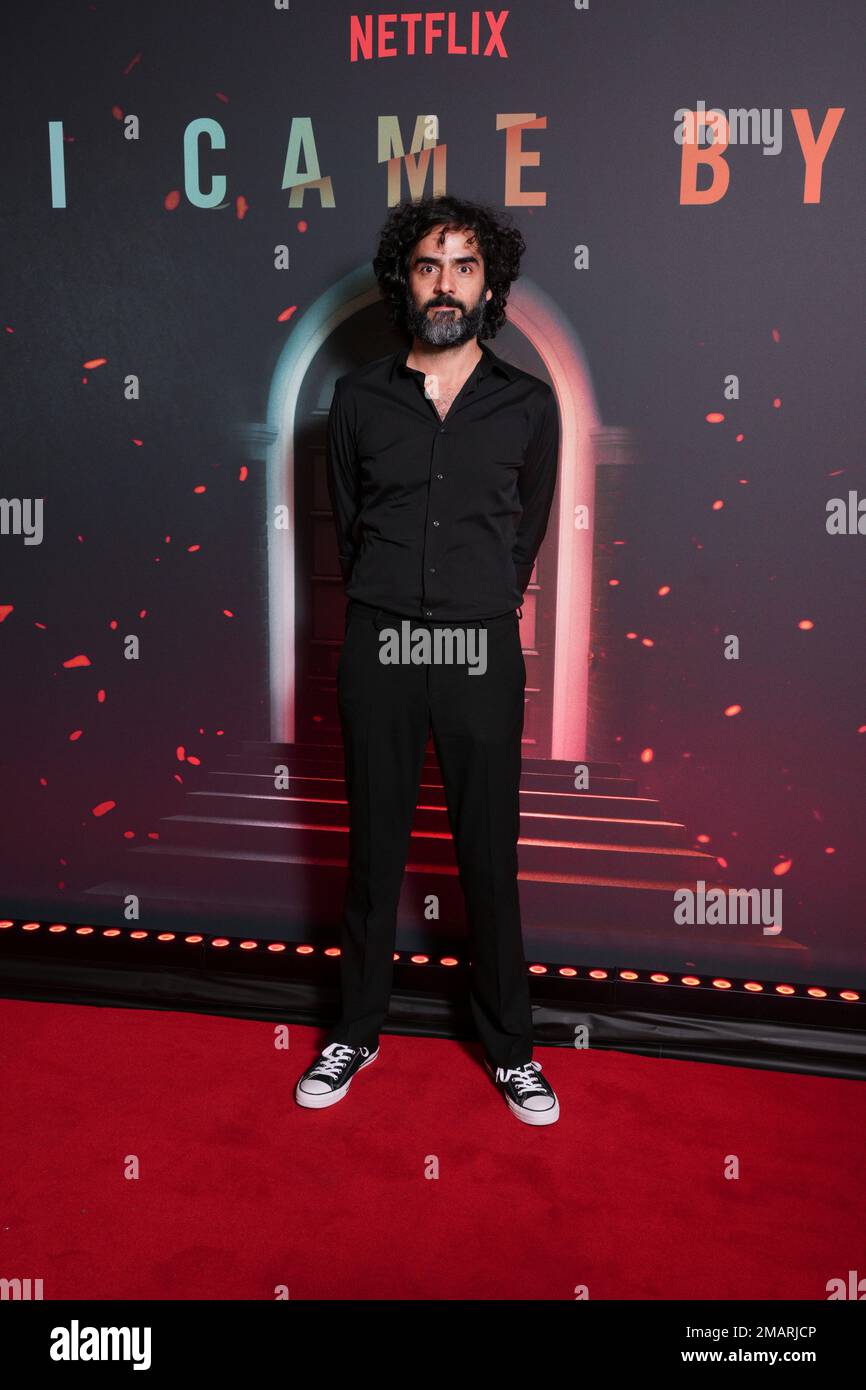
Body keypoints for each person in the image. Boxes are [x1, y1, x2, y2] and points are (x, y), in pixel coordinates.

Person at [295, 195, 561, 1124]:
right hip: (380, 641)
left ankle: (511, 1048)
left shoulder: (529, 404)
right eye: (427, 265)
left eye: (464, 265)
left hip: (480, 646)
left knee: (490, 856)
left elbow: (523, 534)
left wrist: (472, 607)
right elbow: (351, 527)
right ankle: (355, 1033)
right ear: (403, 282)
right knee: (373, 853)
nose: (446, 283)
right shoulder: (358, 399)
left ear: (492, 286)